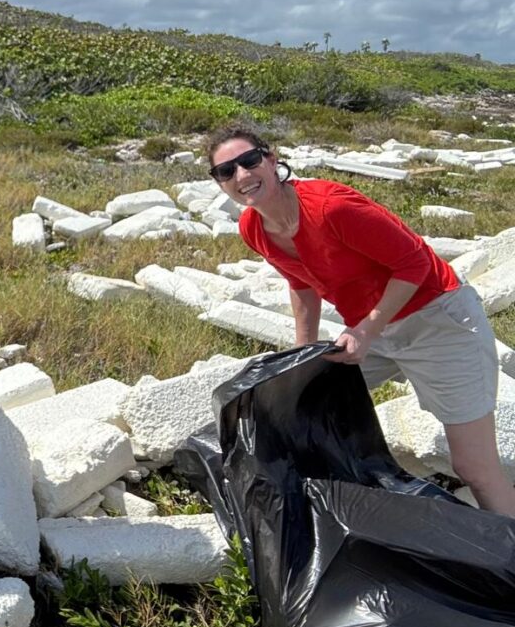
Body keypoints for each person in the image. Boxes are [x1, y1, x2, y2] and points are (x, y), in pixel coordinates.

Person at [208, 123, 515, 516]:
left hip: (435, 319)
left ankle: (506, 544)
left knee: (475, 468)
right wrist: (302, 359)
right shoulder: (254, 228)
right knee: (299, 403)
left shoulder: (330, 208)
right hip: (374, 327)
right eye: (226, 171)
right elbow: (301, 284)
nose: (242, 175)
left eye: (249, 161)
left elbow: (415, 263)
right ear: (219, 183)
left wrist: (368, 330)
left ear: (271, 160)